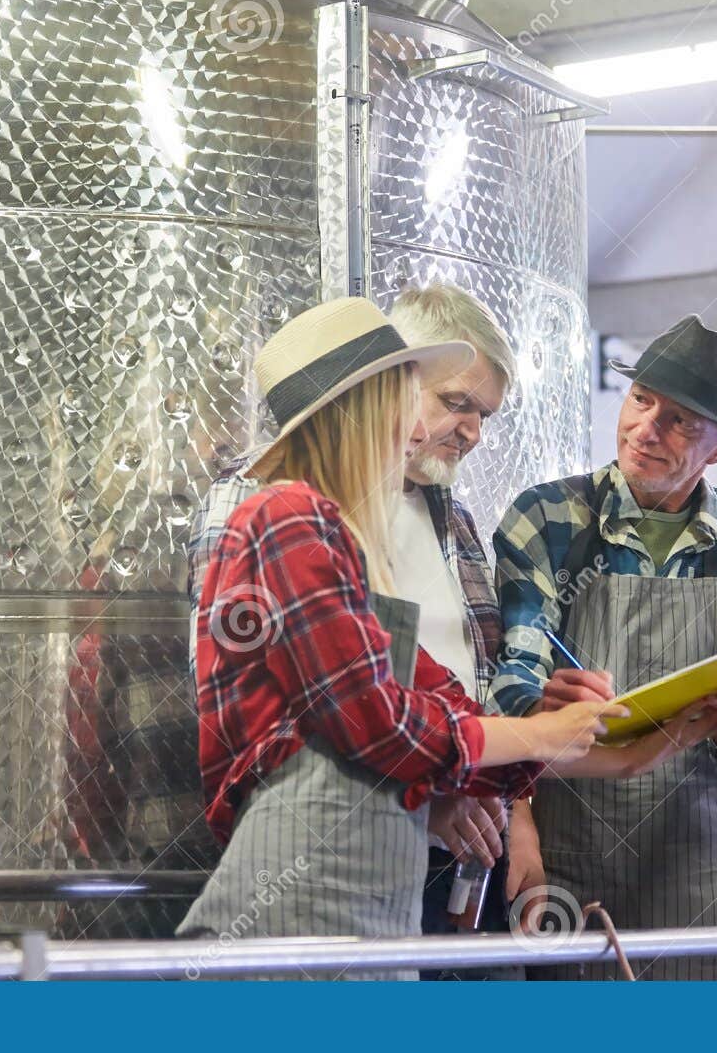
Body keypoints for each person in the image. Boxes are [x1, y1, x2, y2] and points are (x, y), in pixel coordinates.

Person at [177, 296, 625, 978]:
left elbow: (439, 695)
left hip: (380, 886)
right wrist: (531, 740)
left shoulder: (357, 539)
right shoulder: (285, 514)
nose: (424, 427)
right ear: (362, 408)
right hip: (301, 889)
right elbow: (372, 720)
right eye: (408, 397)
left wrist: (561, 730)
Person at [493, 314, 717, 981]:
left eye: (681, 421)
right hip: (570, 852)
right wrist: (541, 713)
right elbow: (510, 673)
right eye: (642, 400)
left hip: (709, 862)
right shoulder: (547, 519)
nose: (646, 429)